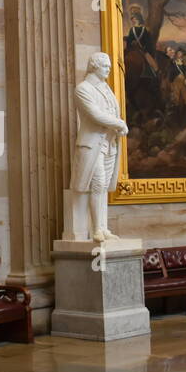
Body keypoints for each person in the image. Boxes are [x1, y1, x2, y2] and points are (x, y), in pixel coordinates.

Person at [69, 52, 128, 243]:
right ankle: (96, 230)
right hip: (93, 144)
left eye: (110, 67)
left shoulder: (106, 88)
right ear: (94, 66)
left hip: (109, 144)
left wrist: (116, 126)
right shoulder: (83, 89)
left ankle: (103, 227)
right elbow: (95, 115)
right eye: (105, 66)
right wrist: (119, 123)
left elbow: (110, 111)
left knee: (102, 188)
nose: (109, 70)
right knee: (97, 184)